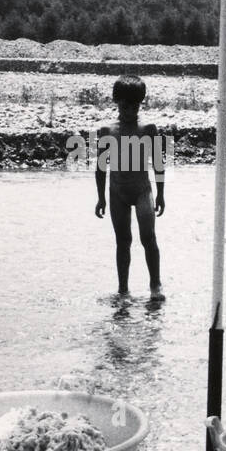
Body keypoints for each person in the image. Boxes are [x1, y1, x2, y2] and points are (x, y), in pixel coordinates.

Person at [94, 75, 165, 298]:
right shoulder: (107, 130)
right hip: (117, 193)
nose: (130, 110)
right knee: (123, 241)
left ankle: (155, 286)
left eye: (136, 105)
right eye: (126, 105)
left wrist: (161, 194)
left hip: (142, 190)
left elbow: (158, 164)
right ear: (117, 102)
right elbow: (100, 168)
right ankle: (123, 290)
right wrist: (100, 198)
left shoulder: (148, 128)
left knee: (148, 238)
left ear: (141, 103)